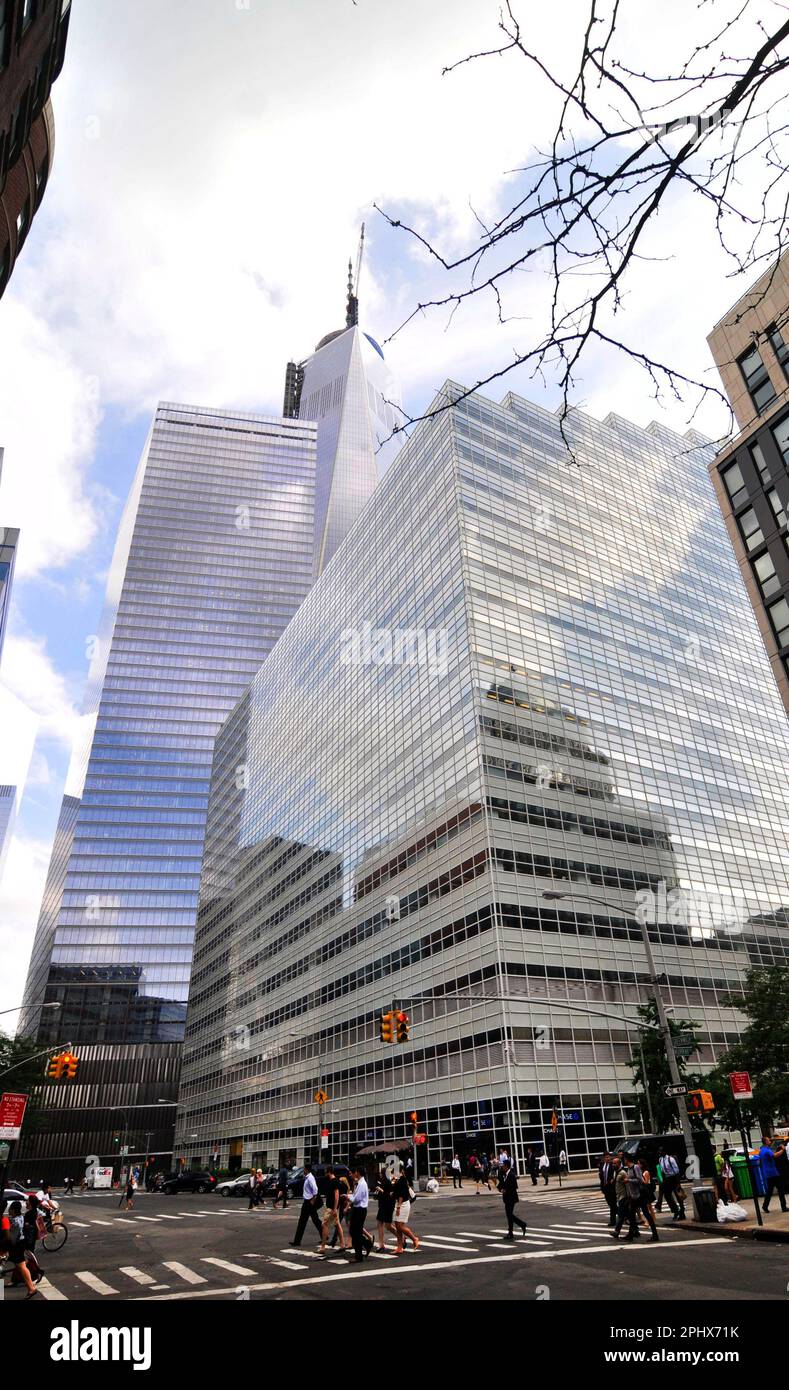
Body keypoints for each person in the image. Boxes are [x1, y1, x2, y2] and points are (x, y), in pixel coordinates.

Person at [2, 1199, 40, 1297]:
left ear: (14, 1210)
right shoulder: (20, 1217)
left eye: (10, 1209)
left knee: (20, 1266)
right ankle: (31, 1288)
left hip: (17, 1245)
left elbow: (12, 1238)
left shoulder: (15, 1222)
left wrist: (6, 1243)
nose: (8, 1210)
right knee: (21, 1266)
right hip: (20, 1244)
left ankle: (31, 1288)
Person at [289, 1162, 323, 1247]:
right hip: (308, 1202)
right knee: (315, 1220)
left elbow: (315, 1190)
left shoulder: (310, 1178)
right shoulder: (308, 1177)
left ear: (306, 1169)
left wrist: (312, 1200)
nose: (303, 1170)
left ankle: (297, 1241)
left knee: (303, 1221)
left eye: (304, 1169)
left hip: (309, 1202)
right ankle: (324, 1236)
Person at [393, 1163, 420, 1253]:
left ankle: (414, 1238)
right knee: (397, 1227)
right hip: (398, 1203)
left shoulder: (402, 1180)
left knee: (400, 1226)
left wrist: (398, 1207)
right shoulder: (398, 1179)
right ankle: (399, 1247)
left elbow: (402, 1194)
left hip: (403, 1204)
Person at [611, 1157, 640, 1241]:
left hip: (624, 1197)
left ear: (619, 1164)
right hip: (619, 1196)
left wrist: (629, 1196)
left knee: (621, 1215)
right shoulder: (615, 1172)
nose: (613, 1165)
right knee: (629, 1215)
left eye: (615, 1163)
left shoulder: (623, 1173)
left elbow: (628, 1185)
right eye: (613, 1163)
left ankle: (616, 1232)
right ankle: (636, 1230)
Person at [319, 1165, 346, 1254]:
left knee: (324, 1224)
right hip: (332, 1207)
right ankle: (342, 1245)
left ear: (329, 1172)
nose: (325, 1173)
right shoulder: (332, 1181)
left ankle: (323, 1247)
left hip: (331, 1208)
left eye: (325, 1171)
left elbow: (337, 1195)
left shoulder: (334, 1181)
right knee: (337, 1225)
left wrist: (334, 1208)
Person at [349, 1168, 373, 1262]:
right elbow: (355, 1196)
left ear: (358, 1173)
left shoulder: (362, 1184)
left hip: (360, 1210)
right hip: (357, 1209)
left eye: (355, 1172)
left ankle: (359, 1256)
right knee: (353, 1231)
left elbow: (357, 1199)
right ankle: (367, 1244)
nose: (354, 1174)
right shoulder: (359, 1183)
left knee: (356, 1232)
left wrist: (348, 1198)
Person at [759, 1135, 788, 1213]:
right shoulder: (767, 1150)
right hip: (773, 1173)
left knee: (770, 1191)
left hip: (767, 1173)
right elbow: (775, 1155)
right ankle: (784, 1207)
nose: (770, 1141)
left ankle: (765, 1206)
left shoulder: (762, 1150)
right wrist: (782, 1150)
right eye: (768, 1140)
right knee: (780, 1189)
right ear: (766, 1142)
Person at [500, 1160, 527, 1239]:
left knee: (509, 1215)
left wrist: (506, 1190)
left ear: (506, 1166)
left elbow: (515, 1186)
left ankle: (519, 1226)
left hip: (511, 1198)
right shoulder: (505, 1174)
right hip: (507, 1198)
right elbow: (503, 1184)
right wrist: (501, 1188)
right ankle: (513, 1231)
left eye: (503, 1165)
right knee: (509, 1215)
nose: (502, 1167)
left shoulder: (511, 1175)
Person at [633, 1161, 659, 1241]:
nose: (638, 1165)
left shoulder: (646, 1172)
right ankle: (652, 1219)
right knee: (648, 1207)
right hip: (644, 1193)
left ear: (642, 1164)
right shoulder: (641, 1172)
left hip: (647, 1192)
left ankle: (649, 1221)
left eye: (639, 1163)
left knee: (648, 1206)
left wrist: (639, 1180)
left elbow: (646, 1182)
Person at [372, 1167, 397, 1251]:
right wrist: (377, 1193)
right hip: (383, 1205)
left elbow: (390, 1195)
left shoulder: (389, 1182)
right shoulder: (382, 1181)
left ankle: (401, 1237)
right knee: (380, 1223)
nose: (380, 1174)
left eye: (381, 1173)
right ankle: (381, 1244)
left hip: (388, 1205)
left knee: (388, 1225)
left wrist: (381, 1190)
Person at [659, 1149, 686, 1220]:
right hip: (667, 1179)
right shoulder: (660, 1159)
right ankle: (675, 1210)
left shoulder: (670, 1159)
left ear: (664, 1152)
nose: (660, 1153)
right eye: (659, 1152)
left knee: (678, 1195)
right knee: (667, 1195)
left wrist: (678, 1183)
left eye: (661, 1151)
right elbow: (661, 1170)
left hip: (674, 1178)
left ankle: (682, 1212)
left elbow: (676, 1170)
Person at [598, 1152, 618, 1226]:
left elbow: (617, 1173)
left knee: (612, 1204)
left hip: (612, 1187)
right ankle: (623, 1214)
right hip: (605, 1187)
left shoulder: (613, 1165)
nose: (608, 1158)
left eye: (609, 1157)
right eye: (606, 1157)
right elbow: (601, 1174)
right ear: (604, 1158)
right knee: (610, 1203)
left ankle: (613, 1221)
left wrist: (613, 1180)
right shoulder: (602, 1165)